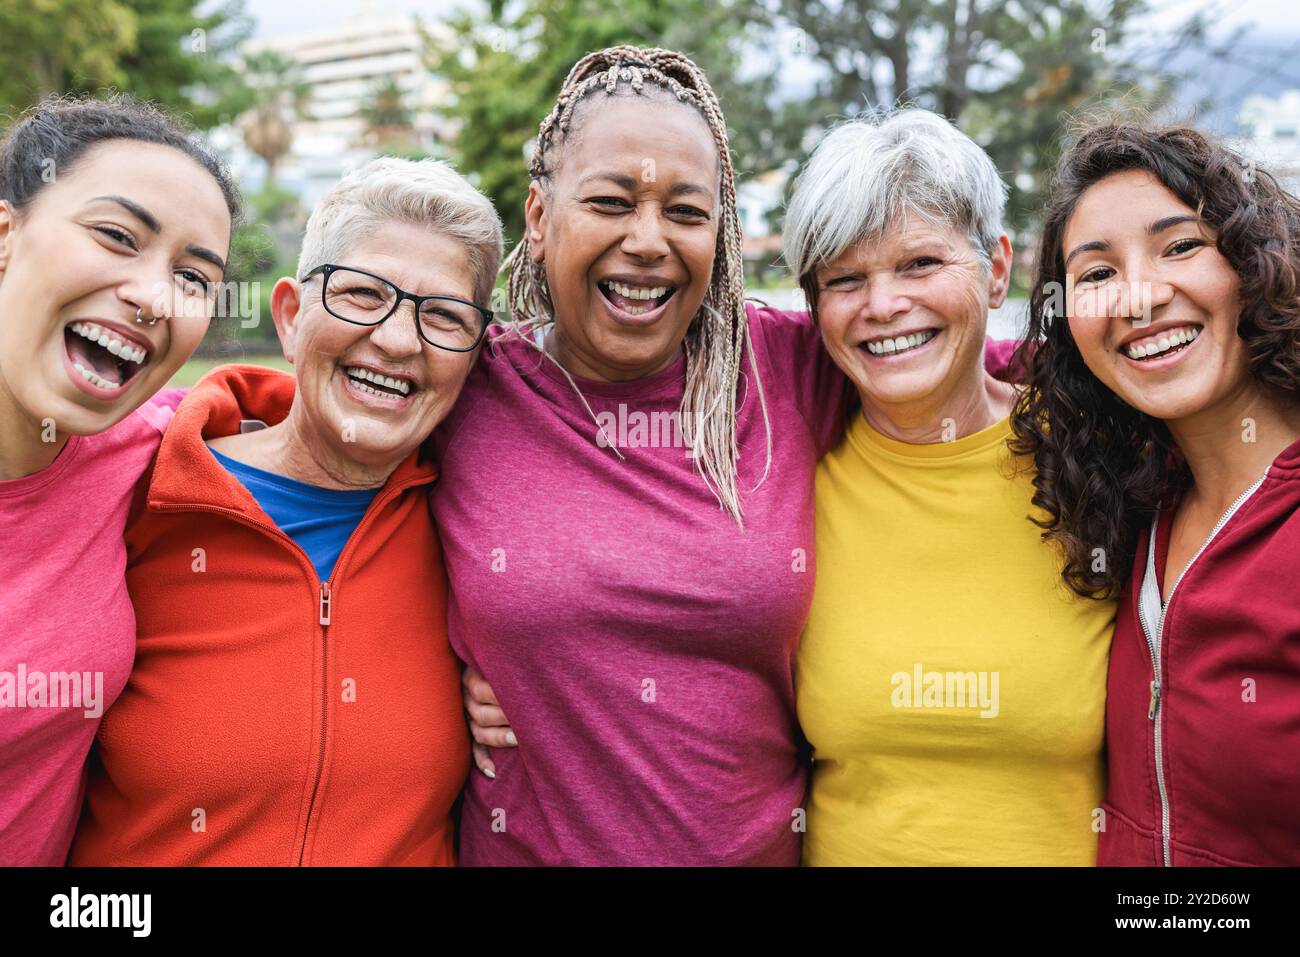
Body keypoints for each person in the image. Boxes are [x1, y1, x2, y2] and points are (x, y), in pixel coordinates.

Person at [442, 49, 1016, 865]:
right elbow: (323, 443)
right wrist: (440, 680)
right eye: (609, 201)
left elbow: (968, 354)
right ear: (538, 216)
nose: (648, 241)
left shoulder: (788, 368)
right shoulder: (468, 386)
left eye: (686, 211)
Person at [70, 157, 502, 865]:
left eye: (444, 315)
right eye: (363, 294)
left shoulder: (478, 540)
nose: (397, 340)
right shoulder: (131, 493)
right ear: (292, 318)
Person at [780, 109, 1115, 866]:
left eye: (921, 263)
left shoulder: (1101, 461)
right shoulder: (789, 493)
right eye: (845, 279)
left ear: (997, 269)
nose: (883, 305)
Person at [1010, 120, 1300, 866]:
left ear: (1255, 262)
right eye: (1097, 274)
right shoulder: (1140, 504)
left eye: (1179, 246)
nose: (1138, 298)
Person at [0, 95, 238, 865]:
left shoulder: (146, 449)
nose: (154, 296)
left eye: (194, 278)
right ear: (6, 236)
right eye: (115, 236)